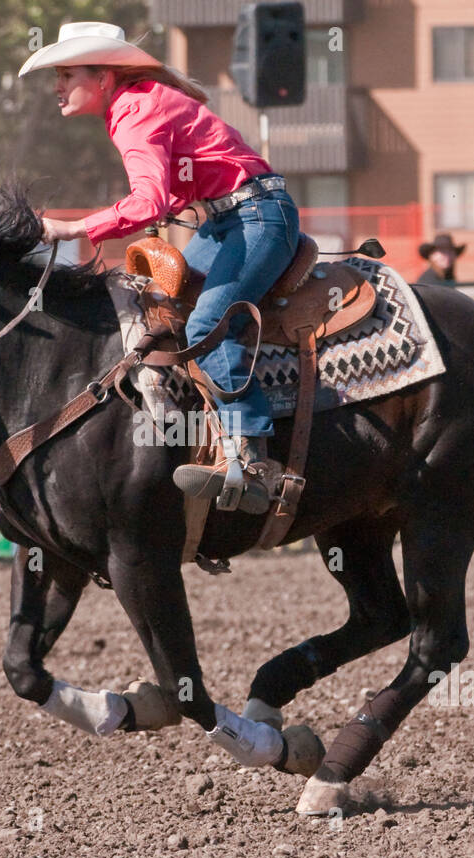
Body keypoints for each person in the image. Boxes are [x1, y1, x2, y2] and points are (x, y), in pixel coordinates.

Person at [19, 21, 299, 514]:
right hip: (233, 219)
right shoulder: (139, 101)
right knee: (165, 307)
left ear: (104, 77)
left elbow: (148, 201)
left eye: (66, 74)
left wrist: (72, 228)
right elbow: (165, 192)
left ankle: (254, 461)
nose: (57, 87)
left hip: (254, 219)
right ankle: (198, 435)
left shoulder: (134, 110)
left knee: (208, 322)